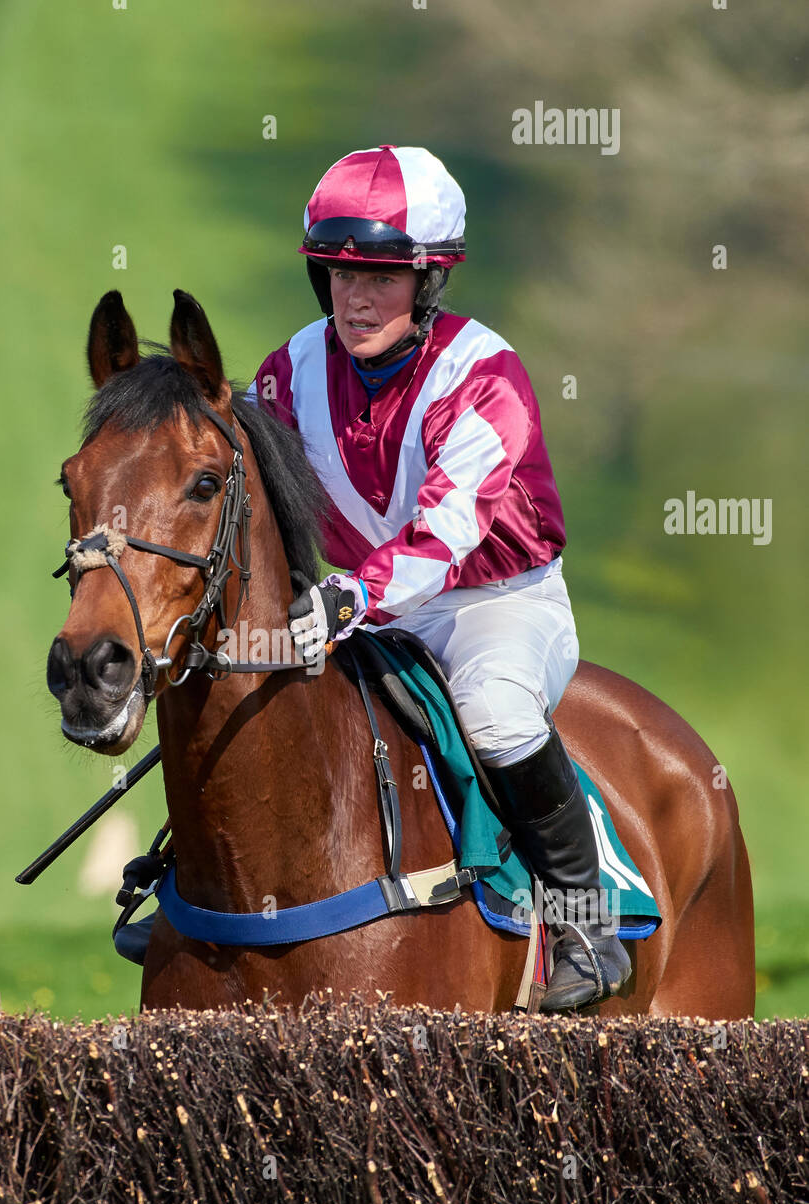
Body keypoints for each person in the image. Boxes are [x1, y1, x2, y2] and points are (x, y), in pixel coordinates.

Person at [246, 144, 630, 1012]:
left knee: (494, 717)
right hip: (372, 605)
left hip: (495, 604)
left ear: (429, 282)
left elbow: (448, 532)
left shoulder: (485, 374)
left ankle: (584, 921)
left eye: (382, 276)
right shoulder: (286, 374)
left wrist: (348, 597)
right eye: (339, 274)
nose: (356, 297)